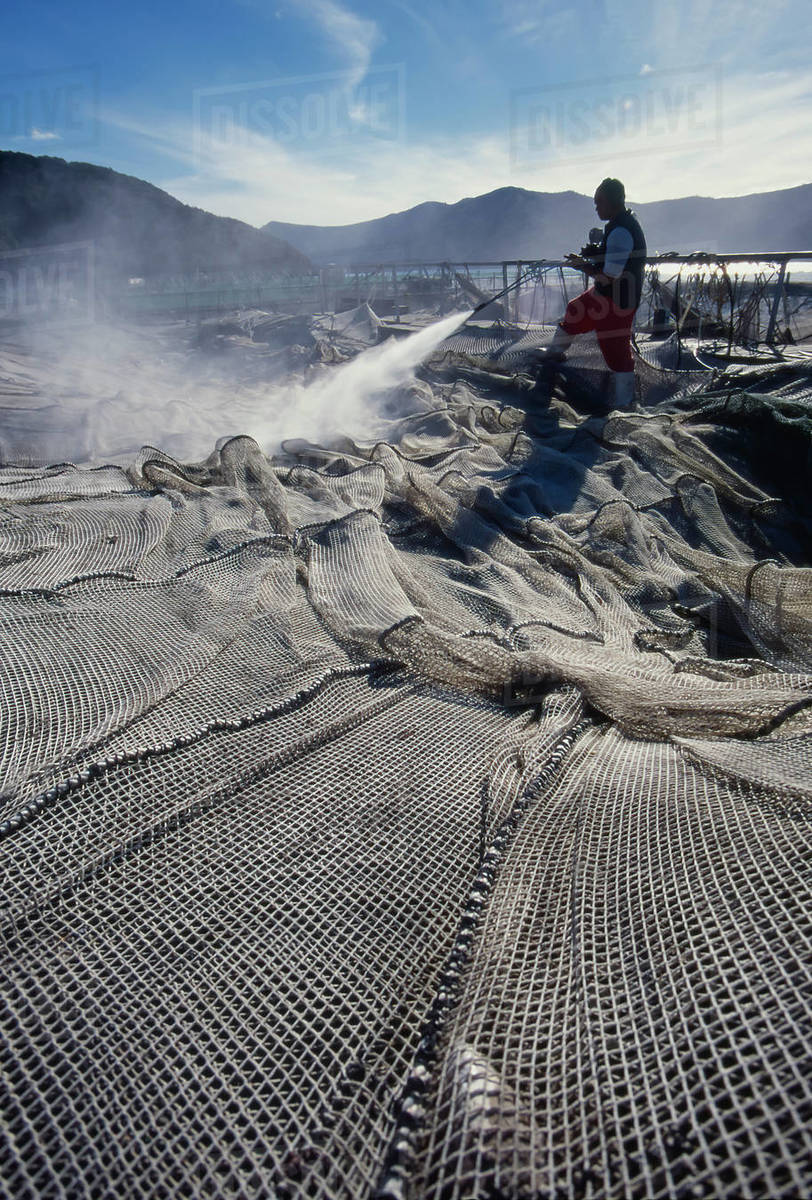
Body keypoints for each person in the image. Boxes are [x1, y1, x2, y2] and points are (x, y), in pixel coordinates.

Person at [536, 177, 647, 409]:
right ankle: (555, 354)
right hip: (605, 295)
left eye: (599, 202)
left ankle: (625, 403)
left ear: (613, 202)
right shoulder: (622, 222)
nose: (596, 207)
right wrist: (593, 255)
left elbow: (609, 276)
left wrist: (582, 266)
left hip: (617, 302)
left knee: (615, 351)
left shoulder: (620, 232)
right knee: (575, 309)